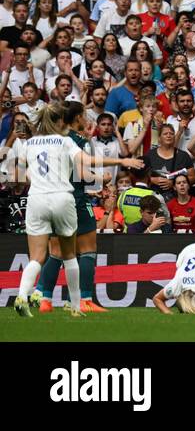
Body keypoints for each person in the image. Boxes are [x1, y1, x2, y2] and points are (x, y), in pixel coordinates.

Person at [15, 101, 141, 317]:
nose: (87, 118)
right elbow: (84, 169)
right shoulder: (69, 141)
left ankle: (34, 294)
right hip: (70, 199)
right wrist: (120, 163)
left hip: (37, 199)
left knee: (43, 255)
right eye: (84, 114)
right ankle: (80, 302)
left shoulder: (31, 143)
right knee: (80, 252)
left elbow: (19, 176)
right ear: (70, 119)